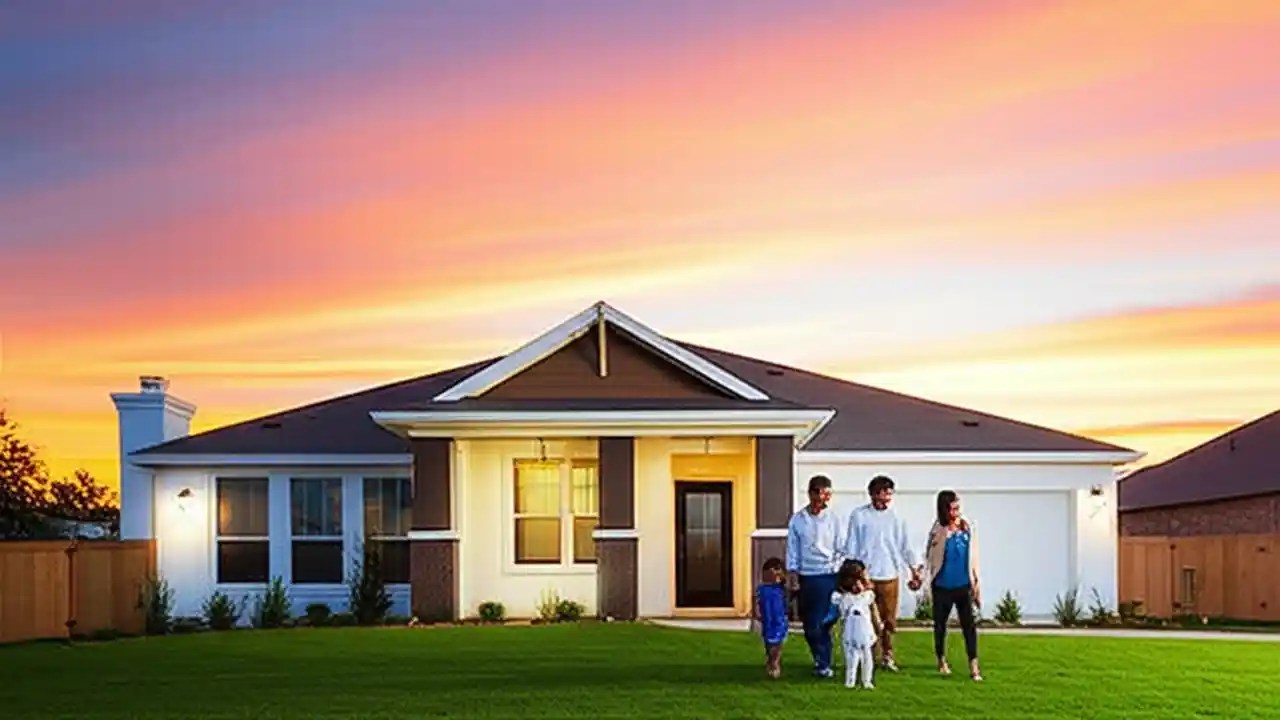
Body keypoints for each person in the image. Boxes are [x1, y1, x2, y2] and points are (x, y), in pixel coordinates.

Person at [844, 474, 921, 671]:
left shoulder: (897, 517)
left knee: (888, 620)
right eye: (882, 493)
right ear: (872, 494)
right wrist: (856, 576)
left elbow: (905, 546)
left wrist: (914, 569)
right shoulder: (859, 516)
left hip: (889, 575)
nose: (886, 498)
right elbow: (852, 547)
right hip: (866, 577)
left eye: (889, 493)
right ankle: (867, 654)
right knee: (867, 619)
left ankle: (887, 654)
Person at [786, 474, 846, 678]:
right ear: (811, 494)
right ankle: (819, 657)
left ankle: (824, 662)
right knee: (809, 624)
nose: (821, 501)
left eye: (826, 496)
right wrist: (792, 574)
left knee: (824, 622)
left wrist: (839, 572)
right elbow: (793, 549)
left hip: (828, 574)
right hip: (807, 575)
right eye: (818, 495)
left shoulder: (835, 519)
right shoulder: (798, 520)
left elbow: (841, 547)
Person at [923, 489, 983, 681]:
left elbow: (973, 559)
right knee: (940, 625)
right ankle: (941, 659)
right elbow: (930, 558)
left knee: (969, 626)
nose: (957, 512)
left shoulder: (966, 528)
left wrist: (976, 584)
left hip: (963, 585)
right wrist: (922, 578)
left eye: (958, 507)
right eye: (953, 508)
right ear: (944, 509)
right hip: (942, 586)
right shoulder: (938, 530)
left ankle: (974, 665)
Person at [831, 560, 881, 689]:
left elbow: (873, 610)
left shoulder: (867, 596)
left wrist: (878, 624)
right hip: (851, 630)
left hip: (864, 629)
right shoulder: (843, 598)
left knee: (867, 655)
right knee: (851, 656)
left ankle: (867, 680)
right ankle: (850, 680)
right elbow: (841, 613)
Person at [753, 557, 789, 678]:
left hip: (779, 619)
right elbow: (756, 601)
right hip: (767, 618)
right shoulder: (762, 589)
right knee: (768, 641)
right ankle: (770, 659)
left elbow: (787, 602)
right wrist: (756, 612)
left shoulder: (781, 589)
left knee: (778, 642)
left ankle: (775, 662)